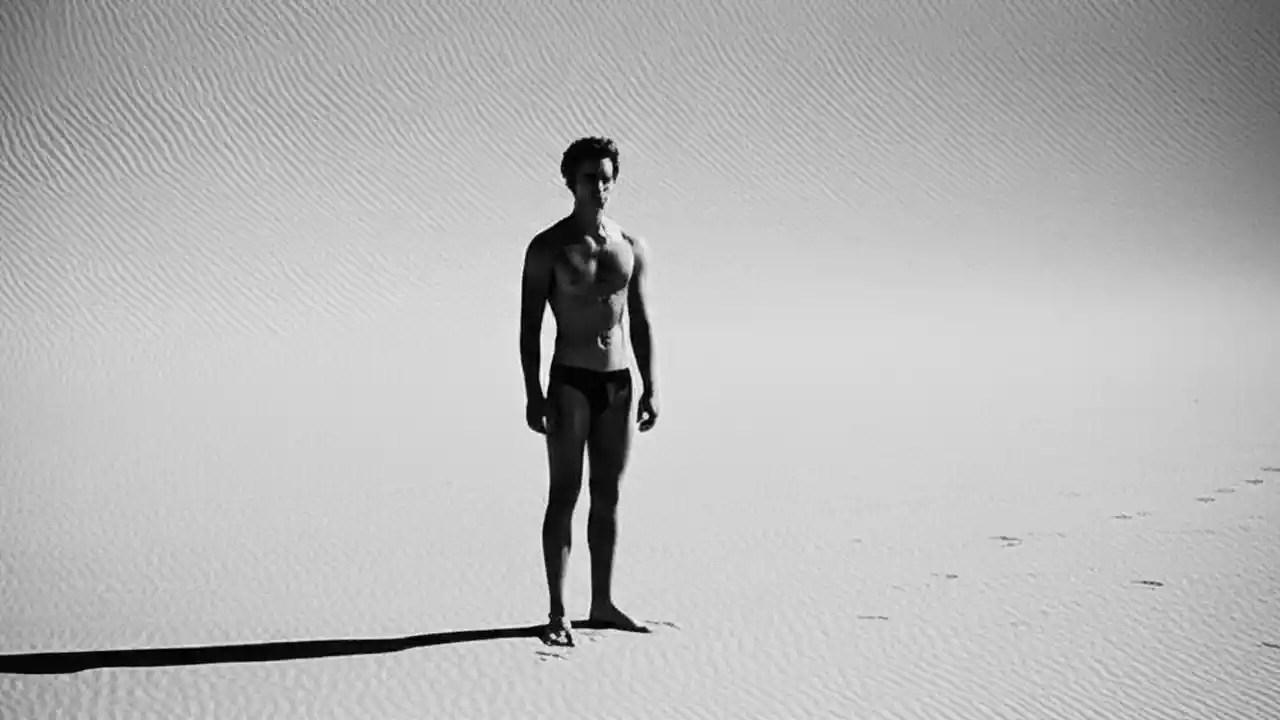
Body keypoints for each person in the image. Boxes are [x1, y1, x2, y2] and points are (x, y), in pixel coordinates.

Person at [519, 137, 659, 647]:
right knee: (564, 493)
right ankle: (558, 611)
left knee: (608, 494)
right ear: (569, 183)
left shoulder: (631, 246)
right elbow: (529, 327)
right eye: (588, 179)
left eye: (605, 178)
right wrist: (533, 393)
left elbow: (639, 319)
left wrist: (651, 386)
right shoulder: (548, 247)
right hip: (570, 382)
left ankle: (602, 603)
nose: (598, 187)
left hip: (617, 383)